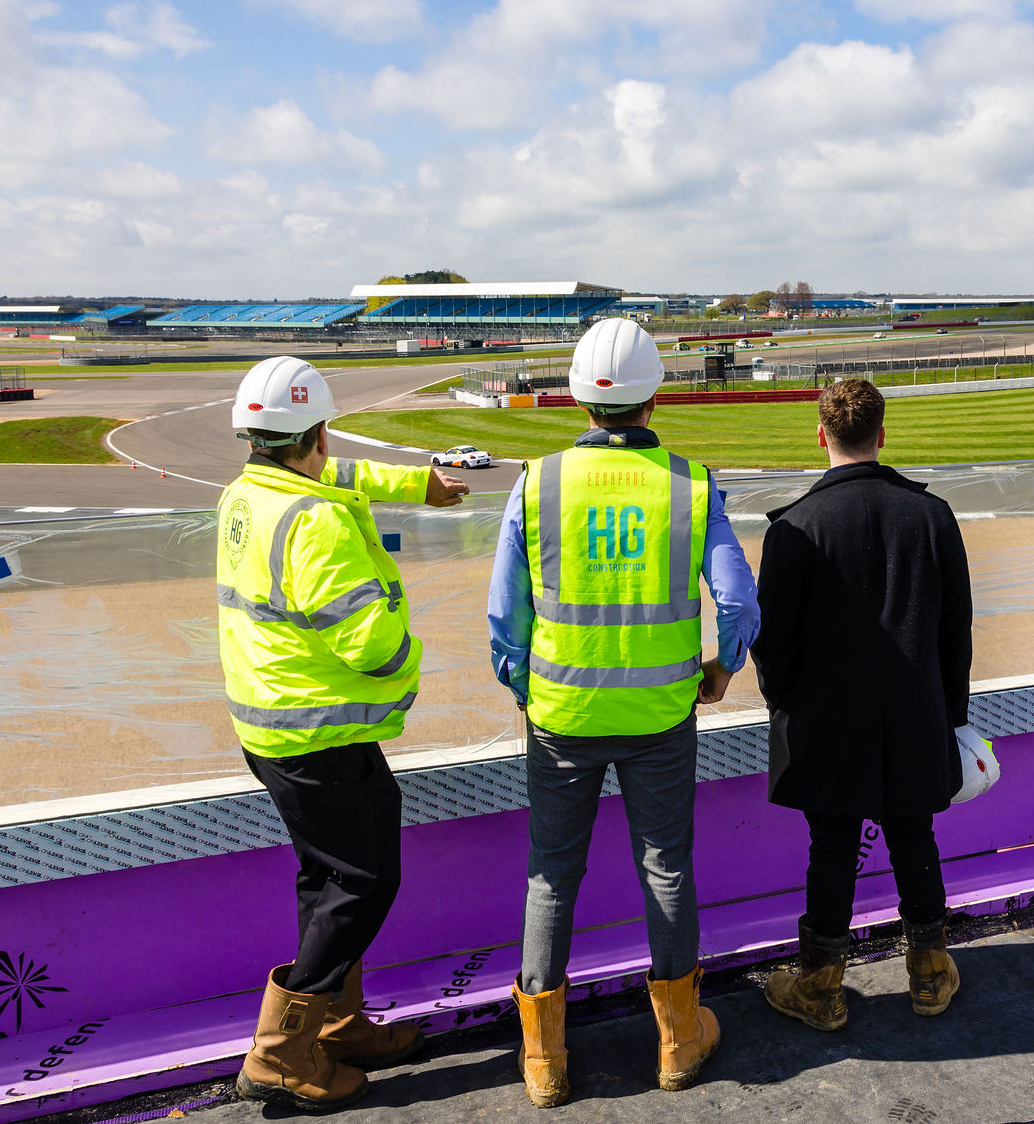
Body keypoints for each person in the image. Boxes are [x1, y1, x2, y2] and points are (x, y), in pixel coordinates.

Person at [487, 318, 760, 1107]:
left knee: (551, 875)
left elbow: (505, 623)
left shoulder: (537, 482)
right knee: (667, 868)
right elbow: (740, 601)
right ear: (653, 394)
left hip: (562, 717)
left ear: (577, 394)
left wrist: (526, 688)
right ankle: (677, 1039)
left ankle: (544, 1057)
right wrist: (720, 668)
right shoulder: (689, 481)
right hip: (661, 717)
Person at [217, 356, 469, 1111]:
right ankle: (281, 1051)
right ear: (318, 431)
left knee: (326, 877)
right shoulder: (316, 519)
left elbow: (339, 473)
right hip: (316, 730)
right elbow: (371, 643)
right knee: (364, 879)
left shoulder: (253, 490)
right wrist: (412, 653)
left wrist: (417, 481)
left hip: (276, 724)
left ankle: (336, 1022)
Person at [752, 378, 972, 1031]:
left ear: (821, 434)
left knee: (831, 847)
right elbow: (954, 632)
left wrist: (786, 705)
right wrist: (949, 716)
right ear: (881, 433)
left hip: (825, 721)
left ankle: (820, 989)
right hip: (916, 713)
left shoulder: (794, 527)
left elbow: (772, 646)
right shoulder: (932, 516)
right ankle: (930, 973)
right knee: (914, 835)